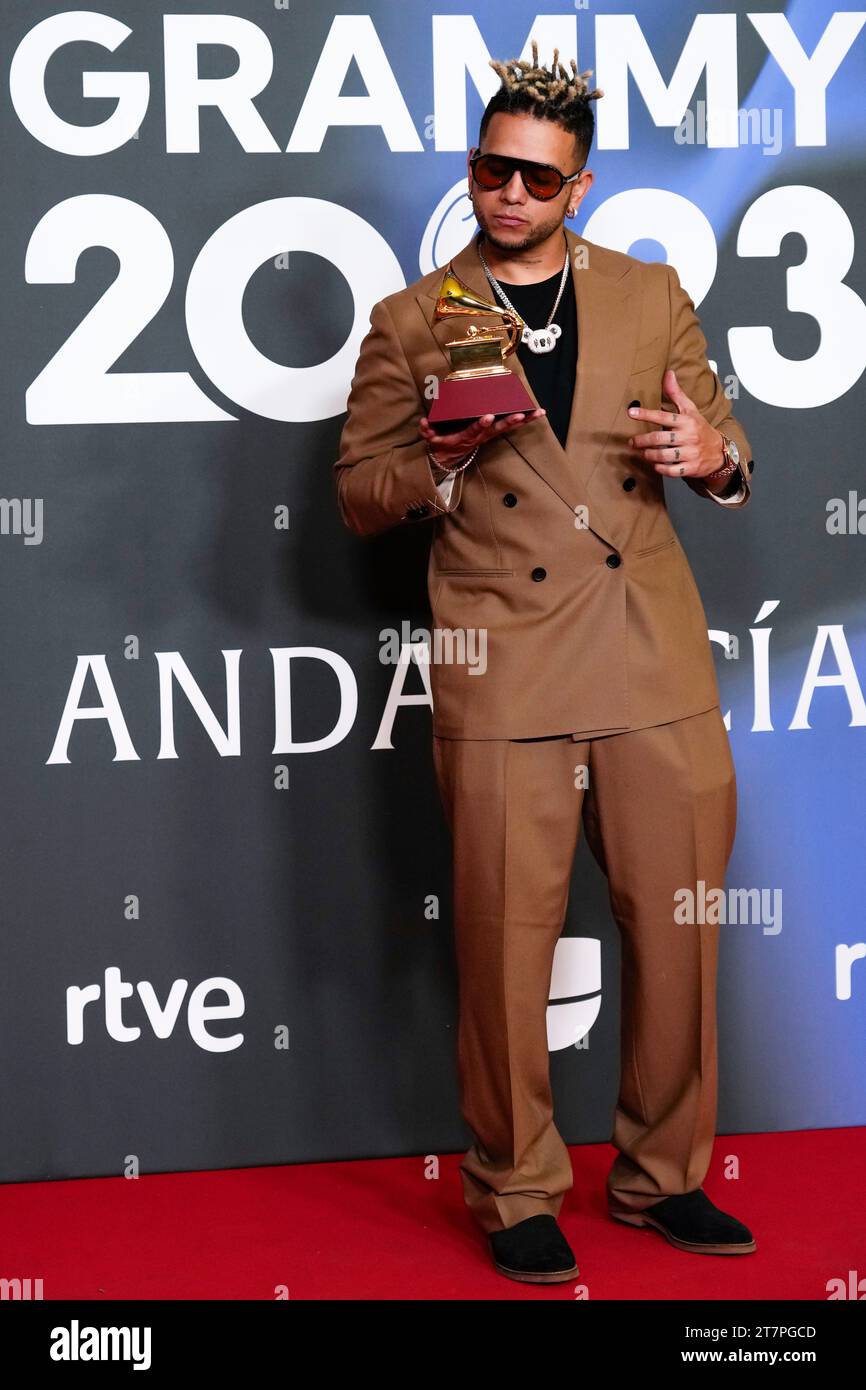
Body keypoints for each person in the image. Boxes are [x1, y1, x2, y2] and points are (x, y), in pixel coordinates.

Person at [334, 39, 757, 1284]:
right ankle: (515, 1187)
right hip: (505, 660)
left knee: (678, 930)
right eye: (487, 169)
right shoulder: (412, 320)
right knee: (503, 939)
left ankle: (662, 1174)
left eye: (534, 177)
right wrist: (440, 467)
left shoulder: (646, 291)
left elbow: (724, 443)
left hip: (648, 657)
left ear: (579, 188)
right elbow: (360, 495)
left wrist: (709, 459)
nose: (506, 194)